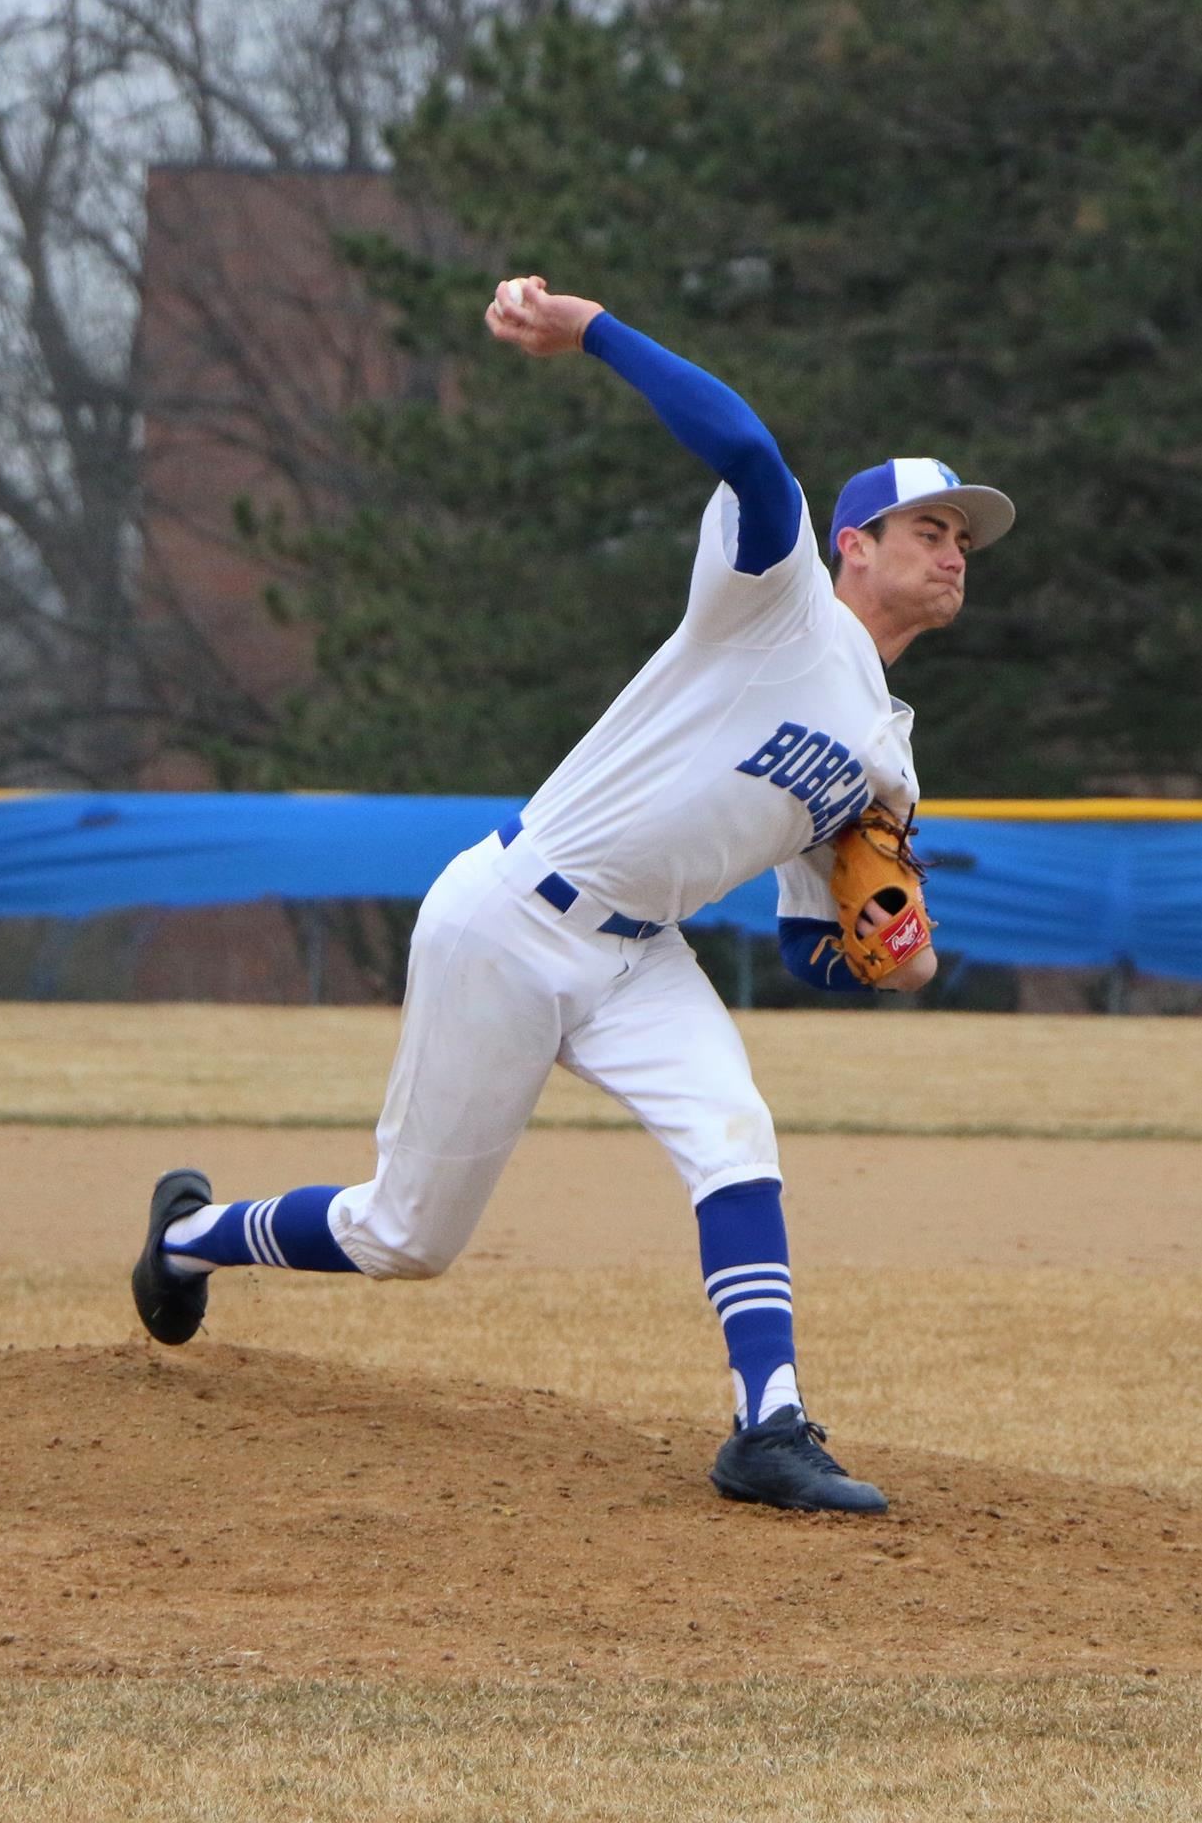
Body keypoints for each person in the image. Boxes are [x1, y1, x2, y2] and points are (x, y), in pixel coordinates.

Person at [132, 277, 1015, 1514]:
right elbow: (753, 453)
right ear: (853, 546)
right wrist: (591, 330)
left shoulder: (886, 765)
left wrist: (898, 953)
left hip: (639, 955)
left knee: (733, 1131)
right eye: (929, 527)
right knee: (407, 1236)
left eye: (964, 538)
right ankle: (185, 1236)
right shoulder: (777, 600)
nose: (953, 551)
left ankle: (767, 1427)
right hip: (509, 916)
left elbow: (820, 947)